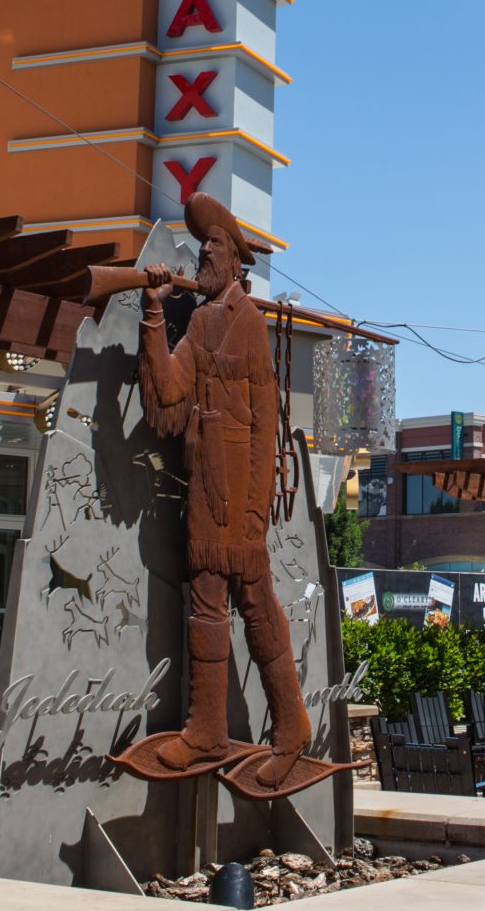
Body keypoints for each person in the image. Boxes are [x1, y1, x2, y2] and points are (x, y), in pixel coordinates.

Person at [112, 191, 345, 799]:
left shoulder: (247, 323)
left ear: (236, 259)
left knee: (257, 607)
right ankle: (208, 730)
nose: (204, 256)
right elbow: (168, 395)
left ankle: (291, 726)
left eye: (213, 246)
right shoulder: (200, 322)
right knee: (208, 606)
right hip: (204, 489)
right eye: (202, 247)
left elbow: (266, 424)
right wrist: (153, 313)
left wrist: (252, 511)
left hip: (237, 499)